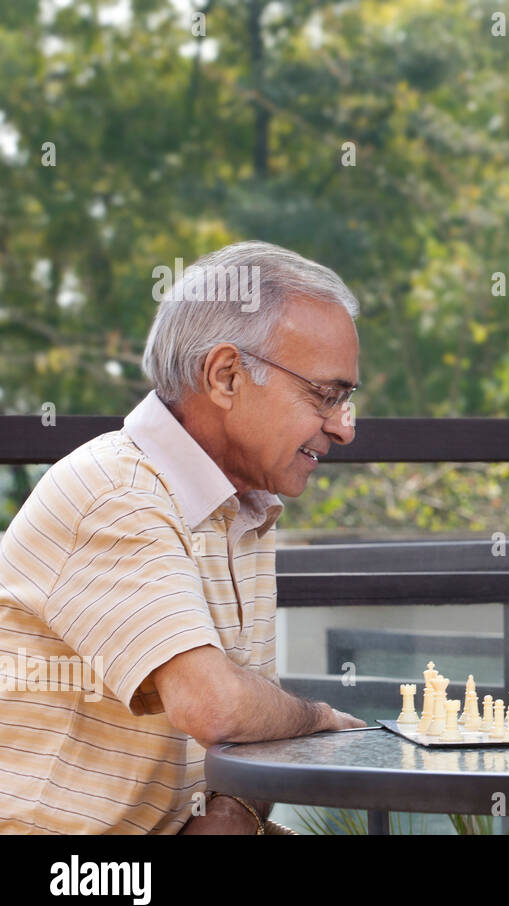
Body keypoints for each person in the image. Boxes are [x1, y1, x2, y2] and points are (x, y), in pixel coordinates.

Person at [0, 241, 368, 834]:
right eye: (326, 395)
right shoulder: (117, 494)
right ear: (225, 376)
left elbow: (249, 725)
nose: (343, 429)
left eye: (346, 399)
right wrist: (318, 717)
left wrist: (236, 812)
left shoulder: (245, 506)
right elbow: (217, 706)